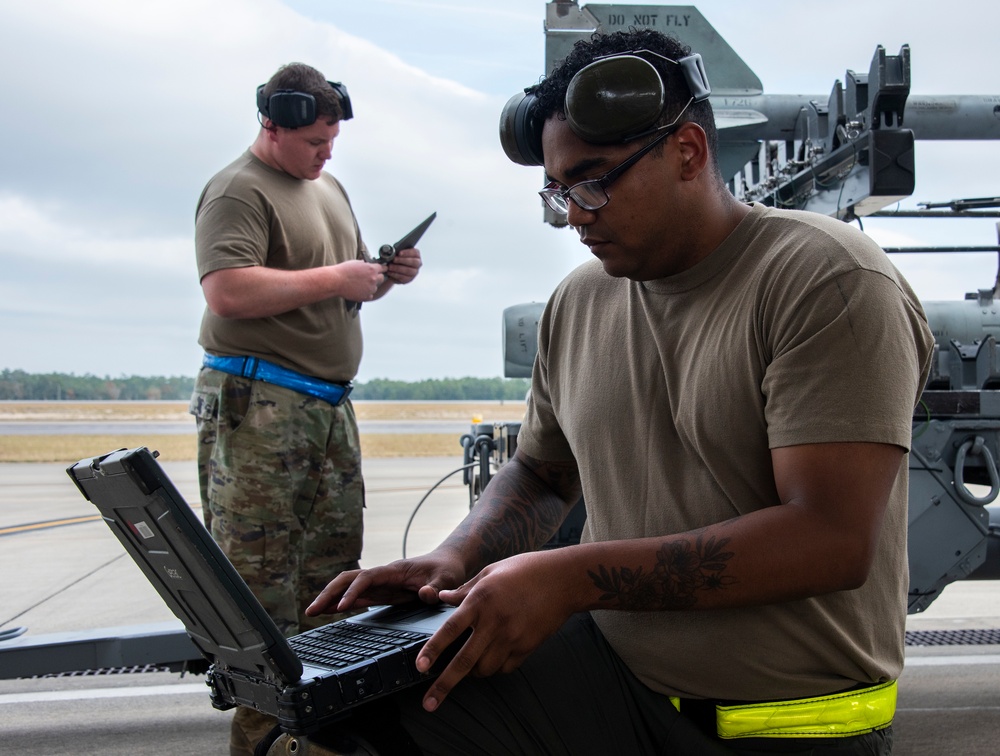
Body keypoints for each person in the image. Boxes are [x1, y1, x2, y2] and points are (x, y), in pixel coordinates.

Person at [304, 29, 934, 756]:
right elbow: (543, 472)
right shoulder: (580, 302)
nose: (574, 214)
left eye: (594, 182)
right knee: (350, 717)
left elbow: (830, 539)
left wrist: (572, 577)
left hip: (779, 720)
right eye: (558, 190)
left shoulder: (826, 281)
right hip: (617, 679)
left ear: (689, 152)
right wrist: (458, 556)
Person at [188, 63, 422, 755]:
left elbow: (339, 290)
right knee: (261, 592)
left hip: (323, 412)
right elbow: (226, 291)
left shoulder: (328, 188)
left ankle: (316, 734)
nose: (327, 153)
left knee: (329, 586)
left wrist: (382, 278)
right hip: (261, 406)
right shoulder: (239, 190)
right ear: (273, 125)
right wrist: (338, 276)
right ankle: (262, 742)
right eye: (316, 142)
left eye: (332, 140)